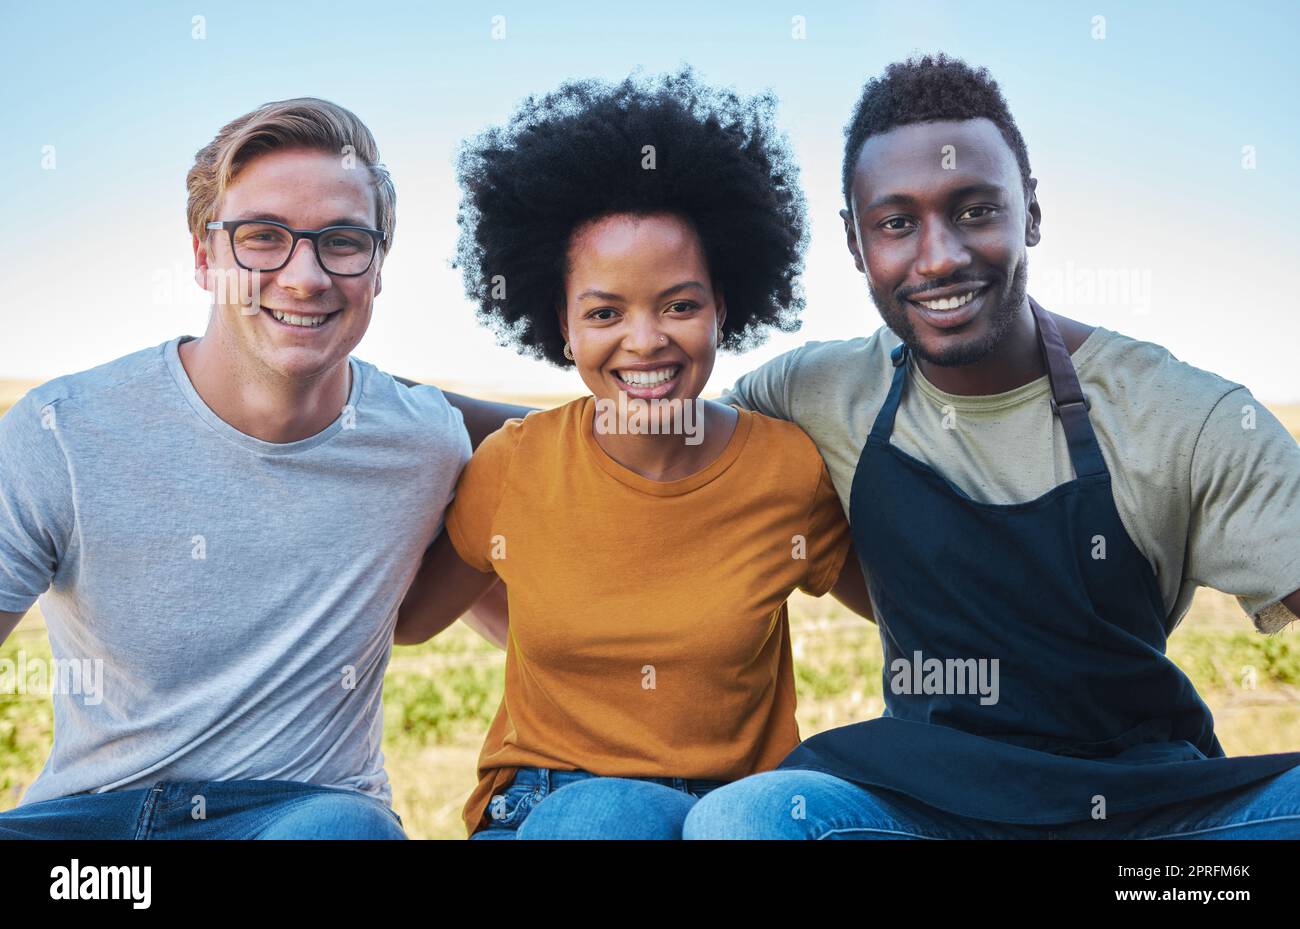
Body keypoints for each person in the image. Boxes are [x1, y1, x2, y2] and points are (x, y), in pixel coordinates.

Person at [682, 54, 1300, 840]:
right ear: (855, 241)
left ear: (1031, 212)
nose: (938, 256)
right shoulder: (816, 392)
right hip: (922, 807)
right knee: (743, 820)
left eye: (975, 210)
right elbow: (645, 454)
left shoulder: (1184, 415)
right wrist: (469, 423)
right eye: (896, 223)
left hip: (1151, 824)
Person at [0, 97, 525, 839]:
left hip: (301, 816)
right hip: (91, 830)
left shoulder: (426, 445)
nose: (304, 276)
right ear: (204, 256)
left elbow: (560, 463)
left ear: (377, 268)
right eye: (262, 237)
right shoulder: (64, 431)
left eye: (342, 242)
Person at [395, 68, 871, 840]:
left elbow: (911, 612)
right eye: (605, 311)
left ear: (725, 304)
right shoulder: (515, 466)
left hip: (728, 812)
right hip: (545, 808)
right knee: (605, 811)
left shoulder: (787, 472)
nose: (644, 340)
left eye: (680, 304)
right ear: (562, 323)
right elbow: (411, 619)